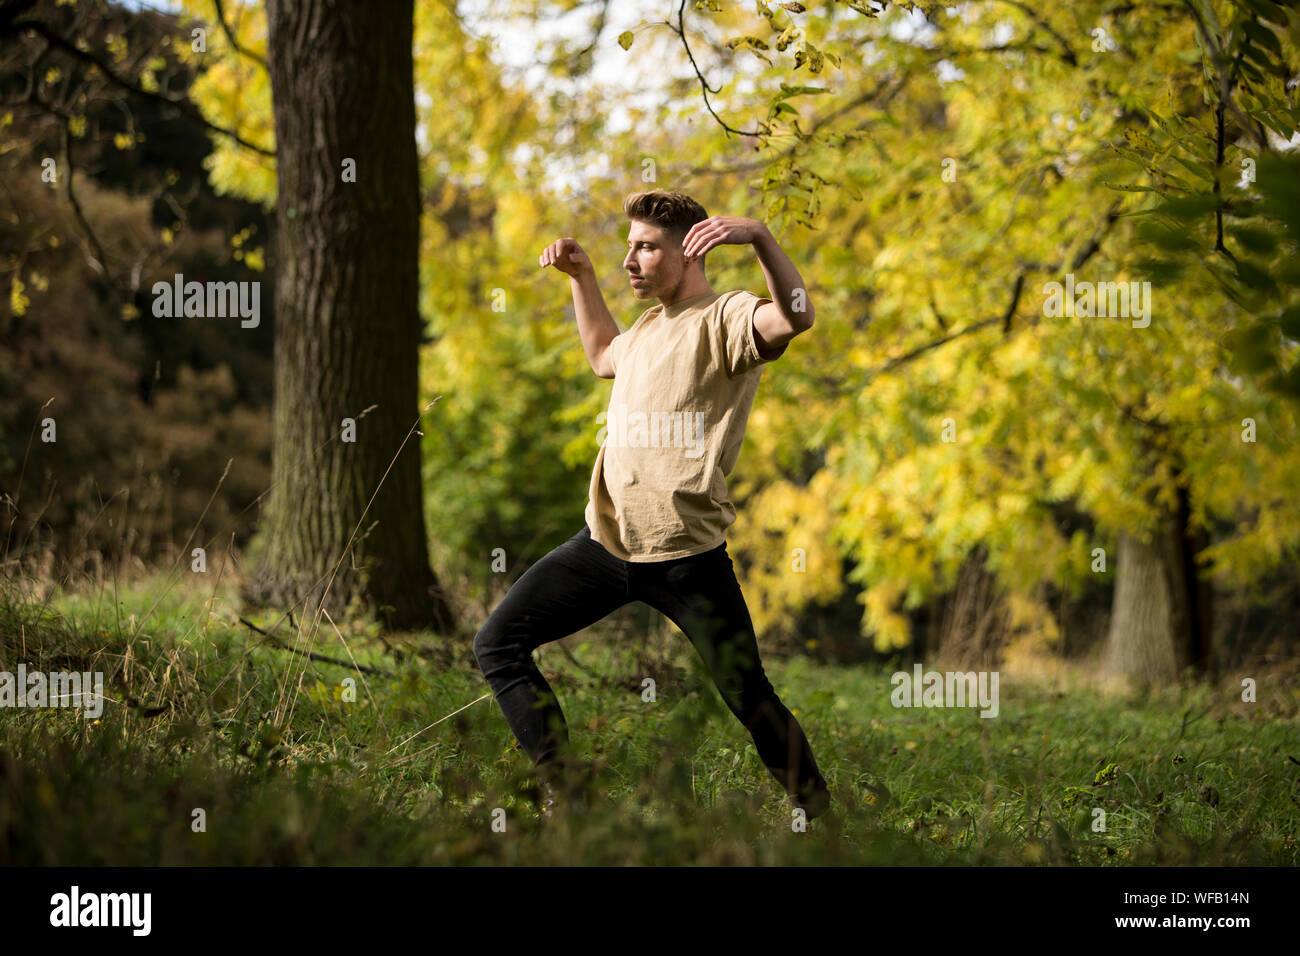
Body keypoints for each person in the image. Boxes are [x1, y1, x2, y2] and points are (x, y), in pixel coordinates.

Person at [473, 189, 830, 820]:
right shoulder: (643, 329)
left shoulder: (726, 318)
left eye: (646, 248)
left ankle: (823, 819)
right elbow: (602, 354)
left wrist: (762, 238)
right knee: (498, 643)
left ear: (690, 251)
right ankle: (567, 793)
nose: (630, 261)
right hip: (604, 546)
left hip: (687, 557)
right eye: (628, 248)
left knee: (749, 697)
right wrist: (581, 277)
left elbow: (797, 317)